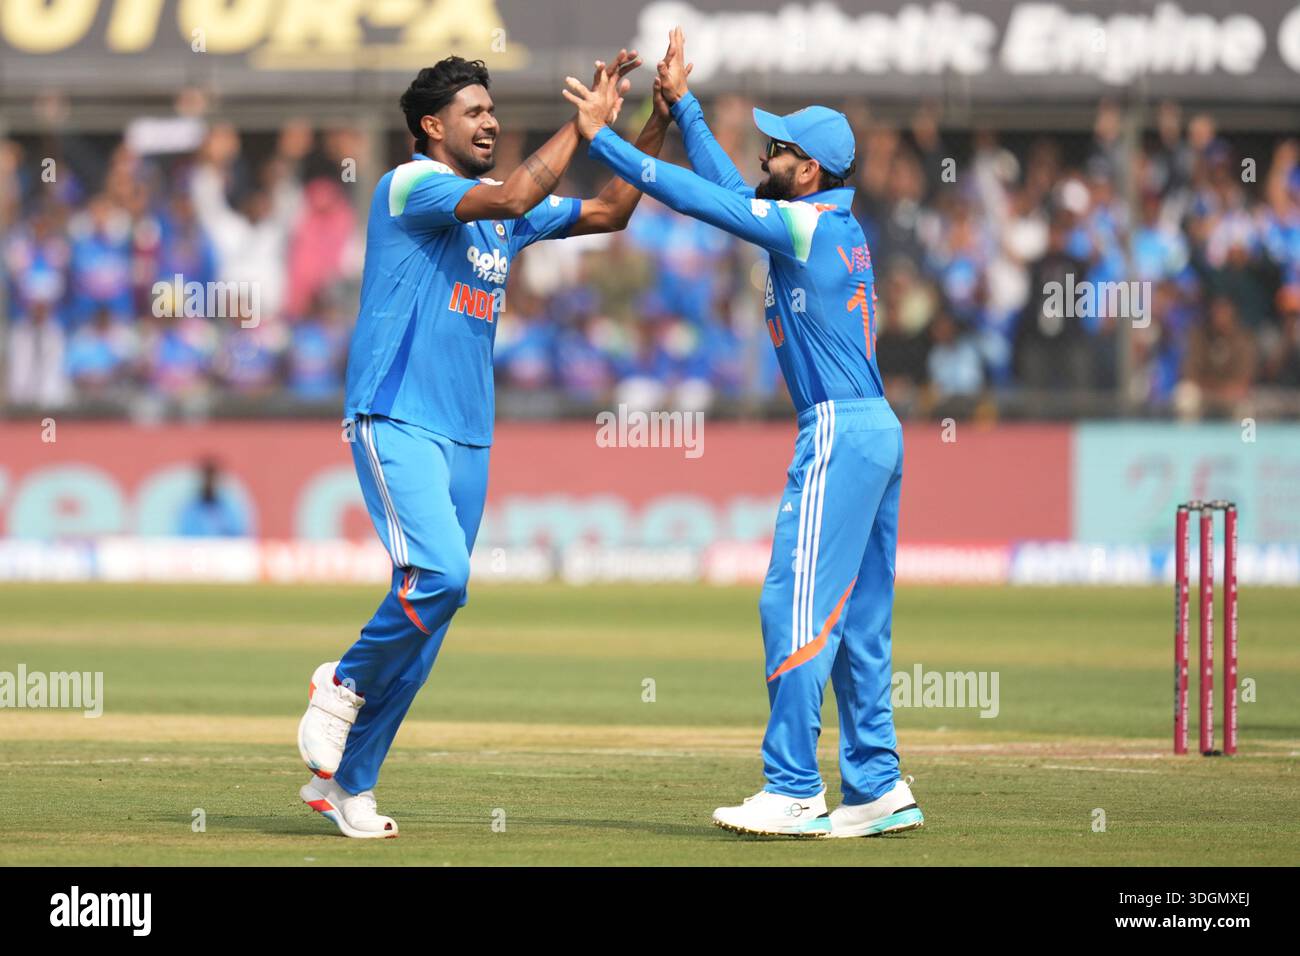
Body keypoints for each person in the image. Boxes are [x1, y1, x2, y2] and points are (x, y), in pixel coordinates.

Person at [297, 50, 672, 838]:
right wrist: (583, 126)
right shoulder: (413, 185)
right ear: (432, 127)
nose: (491, 121)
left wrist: (658, 119)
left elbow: (609, 212)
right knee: (440, 574)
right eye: (473, 112)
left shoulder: (503, 212)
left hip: (470, 435)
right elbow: (514, 190)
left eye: (491, 110)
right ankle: (342, 680)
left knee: (436, 613)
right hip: (397, 415)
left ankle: (349, 785)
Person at [579, 28, 922, 838]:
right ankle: (877, 785)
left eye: (778, 148)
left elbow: (711, 201)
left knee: (792, 603)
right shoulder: (821, 222)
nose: (765, 154)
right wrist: (685, 108)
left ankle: (795, 787)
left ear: (808, 170)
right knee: (861, 620)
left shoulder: (808, 227)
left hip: (839, 428)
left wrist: (606, 144)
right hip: (874, 429)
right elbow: (737, 195)